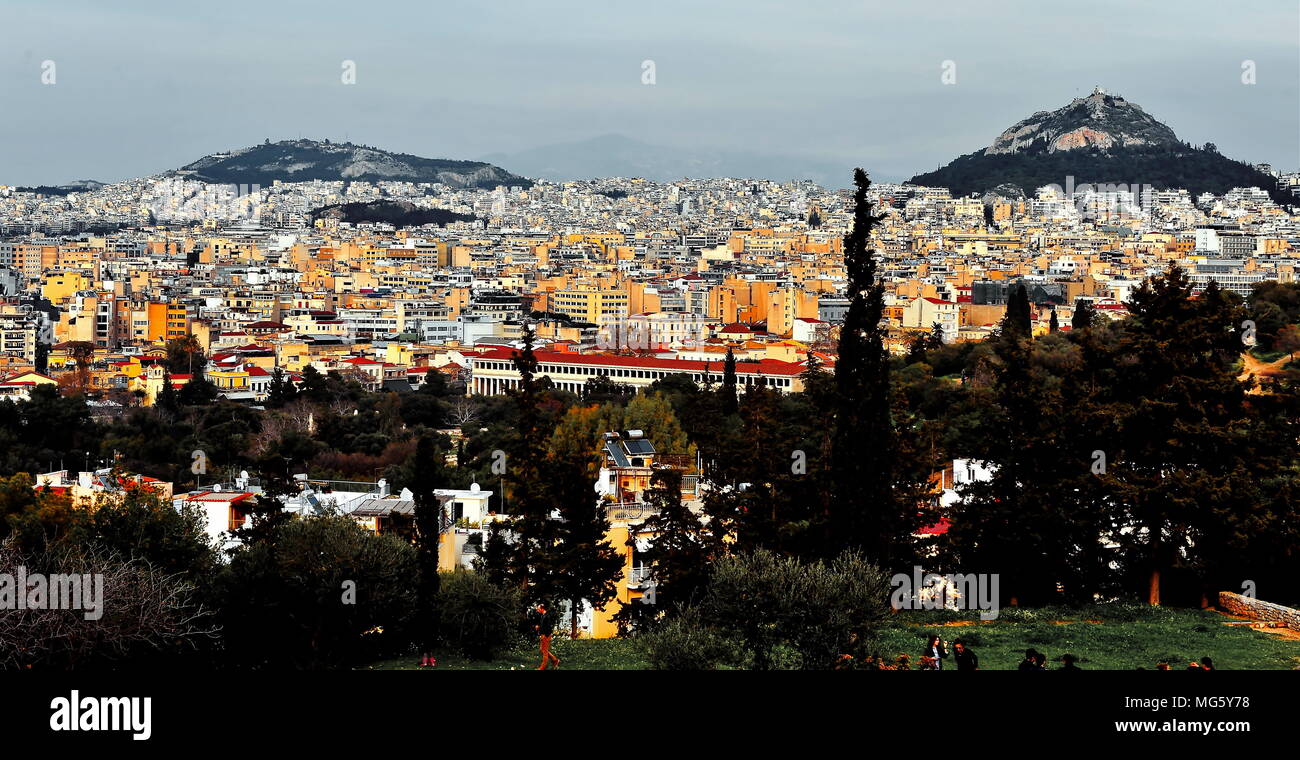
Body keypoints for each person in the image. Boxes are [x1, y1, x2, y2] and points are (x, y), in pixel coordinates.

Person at [528, 602, 560, 670]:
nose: (537, 610)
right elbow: (544, 626)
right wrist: (539, 627)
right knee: (542, 649)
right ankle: (555, 660)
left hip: (546, 635)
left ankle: (542, 667)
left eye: (538, 609)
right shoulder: (543, 615)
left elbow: (548, 628)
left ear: (542, 609)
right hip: (543, 634)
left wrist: (544, 635)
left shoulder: (546, 616)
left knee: (545, 651)